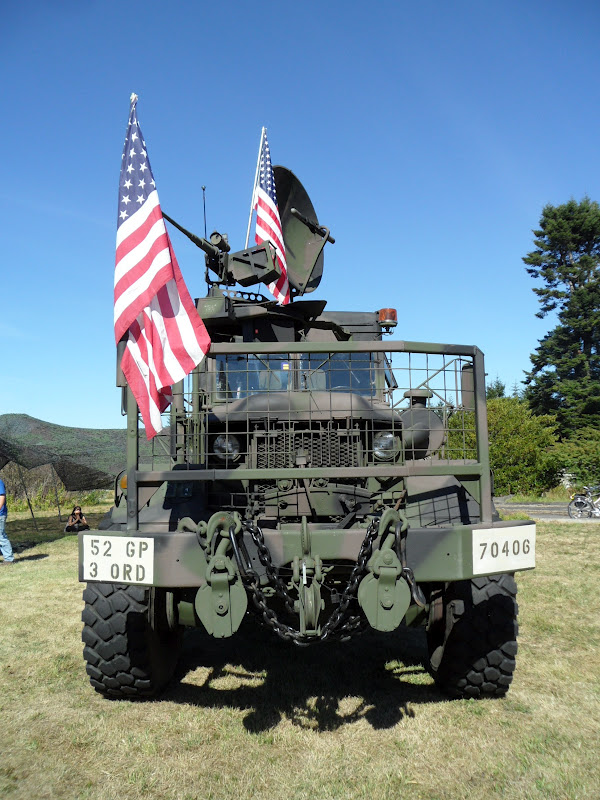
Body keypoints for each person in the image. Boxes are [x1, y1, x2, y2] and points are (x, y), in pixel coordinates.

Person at [0, 477, 15, 565]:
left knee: (0, 536)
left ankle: (9, 559)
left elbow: (2, 497)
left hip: (0, 514)